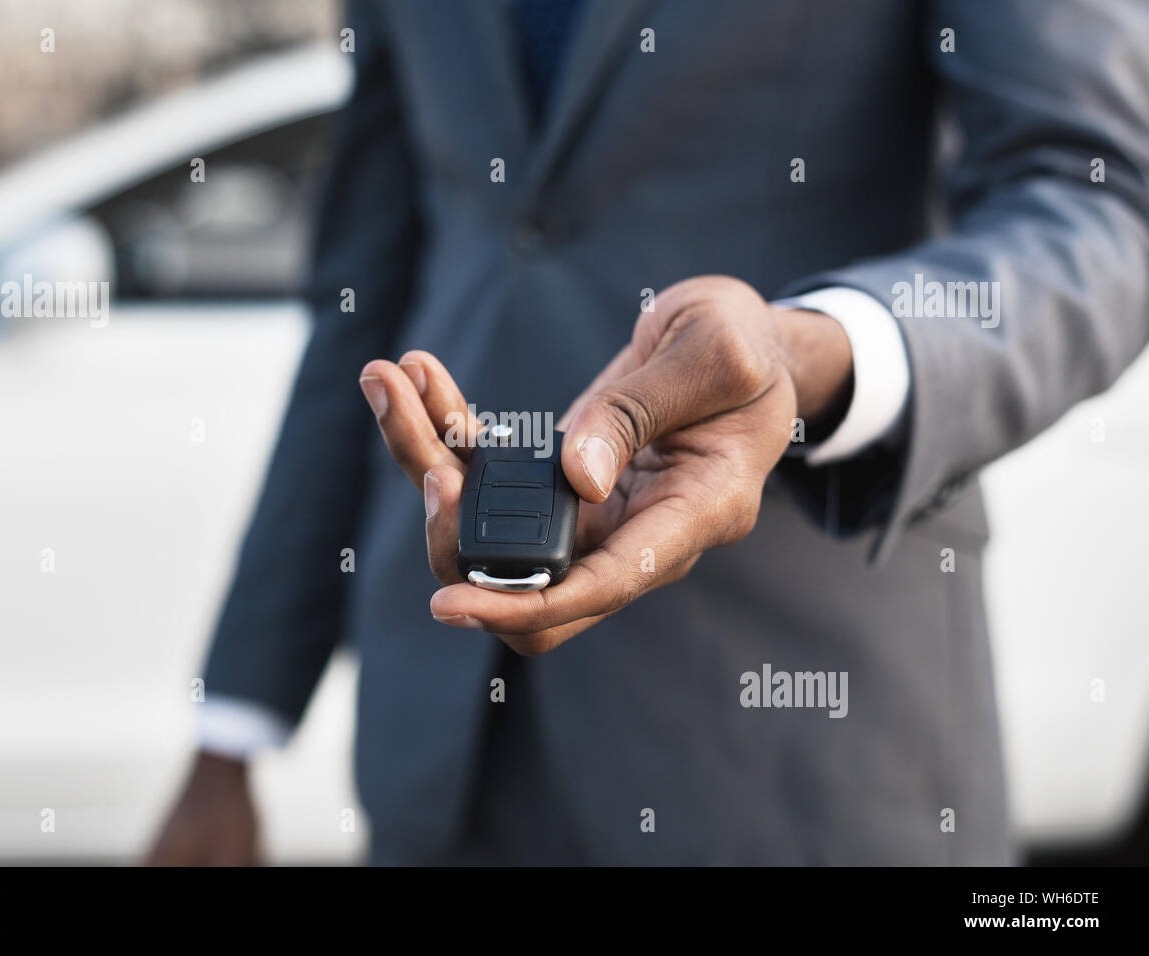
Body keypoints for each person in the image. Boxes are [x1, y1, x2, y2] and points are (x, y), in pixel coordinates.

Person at [149, 0, 1149, 865]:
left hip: (798, 748)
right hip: (446, 755)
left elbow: (1102, 206)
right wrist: (233, 721)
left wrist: (812, 351)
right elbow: (363, 305)